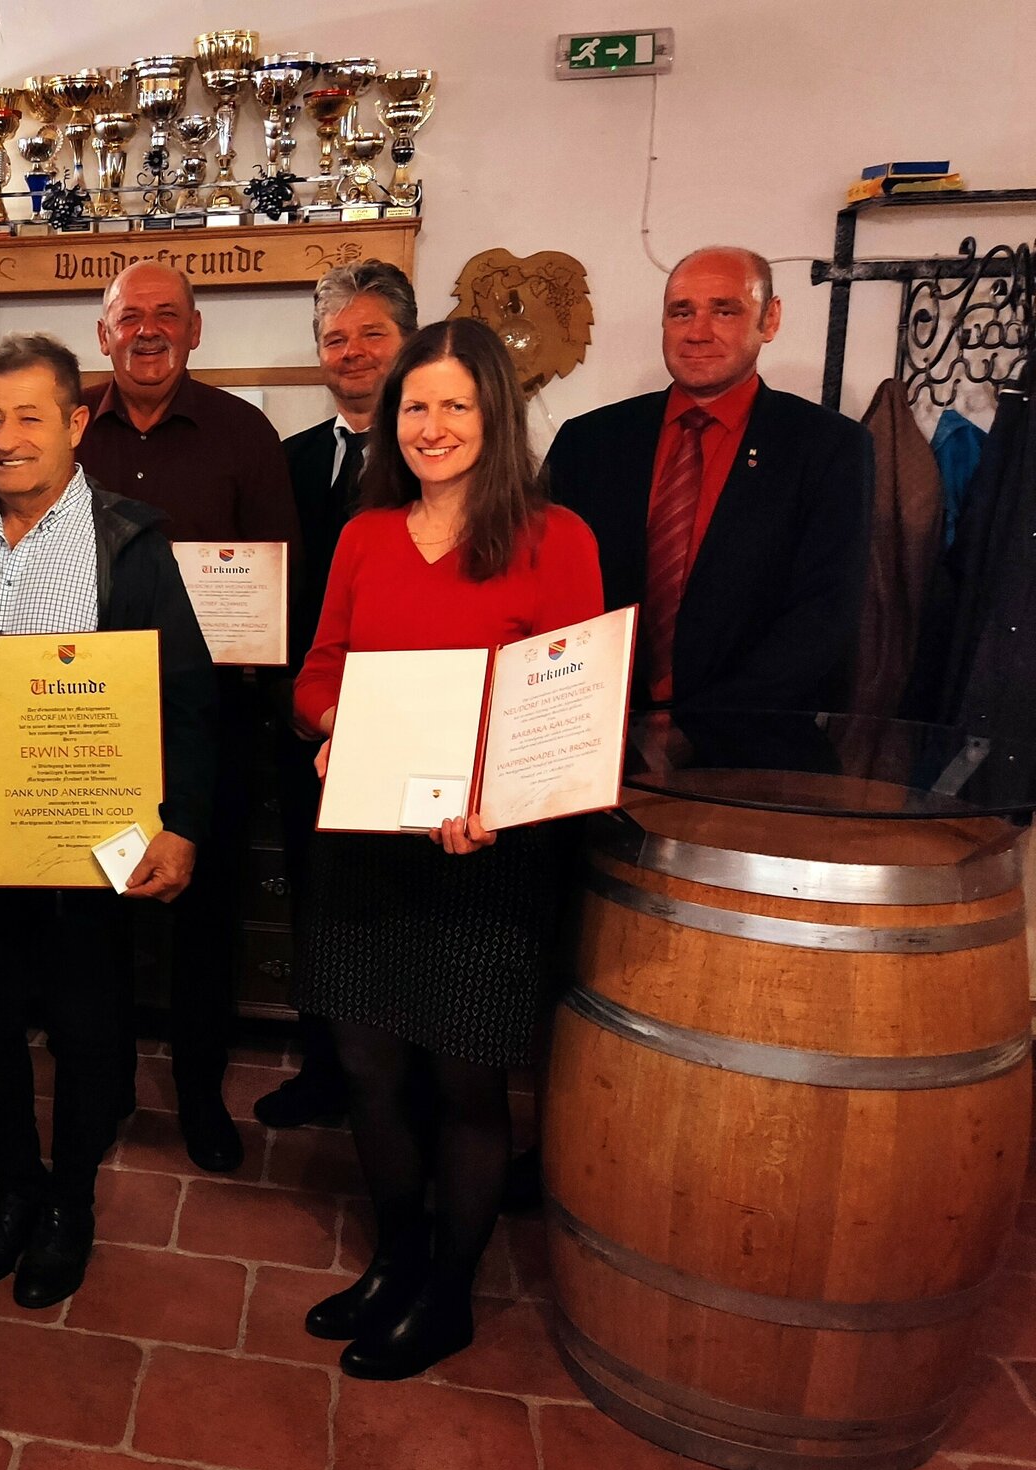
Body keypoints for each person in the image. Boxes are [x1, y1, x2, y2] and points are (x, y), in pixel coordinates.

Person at [292, 318, 603, 1380]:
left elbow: (563, 711)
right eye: (414, 406)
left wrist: (498, 800)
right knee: (367, 1064)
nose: (430, 426)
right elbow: (316, 673)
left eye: (454, 406)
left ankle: (450, 1296)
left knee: (466, 1085)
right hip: (366, 840)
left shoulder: (555, 538)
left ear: (494, 418)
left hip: (484, 850)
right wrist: (331, 724)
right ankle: (396, 1256)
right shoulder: (364, 536)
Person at [0, 332, 216, 1308]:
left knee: (87, 1027)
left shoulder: (128, 542)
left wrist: (181, 824)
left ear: (75, 424)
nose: (6, 438)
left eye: (30, 416)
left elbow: (189, 697)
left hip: (88, 841)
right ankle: (12, 1190)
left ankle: (71, 1202)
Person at [74, 260, 301, 1173]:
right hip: (89, 717)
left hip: (213, 720)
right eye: (131, 316)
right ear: (104, 333)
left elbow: (281, 570)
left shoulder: (246, 433)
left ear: (196, 332)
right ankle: (110, 1085)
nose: (149, 330)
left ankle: (201, 1093)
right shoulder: (70, 427)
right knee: (99, 913)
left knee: (207, 920)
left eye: (168, 315)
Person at [544, 246, 872, 712]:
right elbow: (545, 592)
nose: (698, 332)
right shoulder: (589, 442)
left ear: (770, 319)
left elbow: (823, 620)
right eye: (682, 312)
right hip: (598, 734)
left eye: (724, 310)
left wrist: (693, 732)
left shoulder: (829, 449)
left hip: (752, 754)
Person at [257, 260, 416, 1133]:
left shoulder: (440, 457)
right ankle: (326, 1069)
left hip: (409, 733)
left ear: (410, 342)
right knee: (319, 901)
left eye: (371, 334)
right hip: (306, 725)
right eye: (334, 337)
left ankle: (398, 1087)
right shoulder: (288, 462)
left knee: (400, 910)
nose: (351, 352)